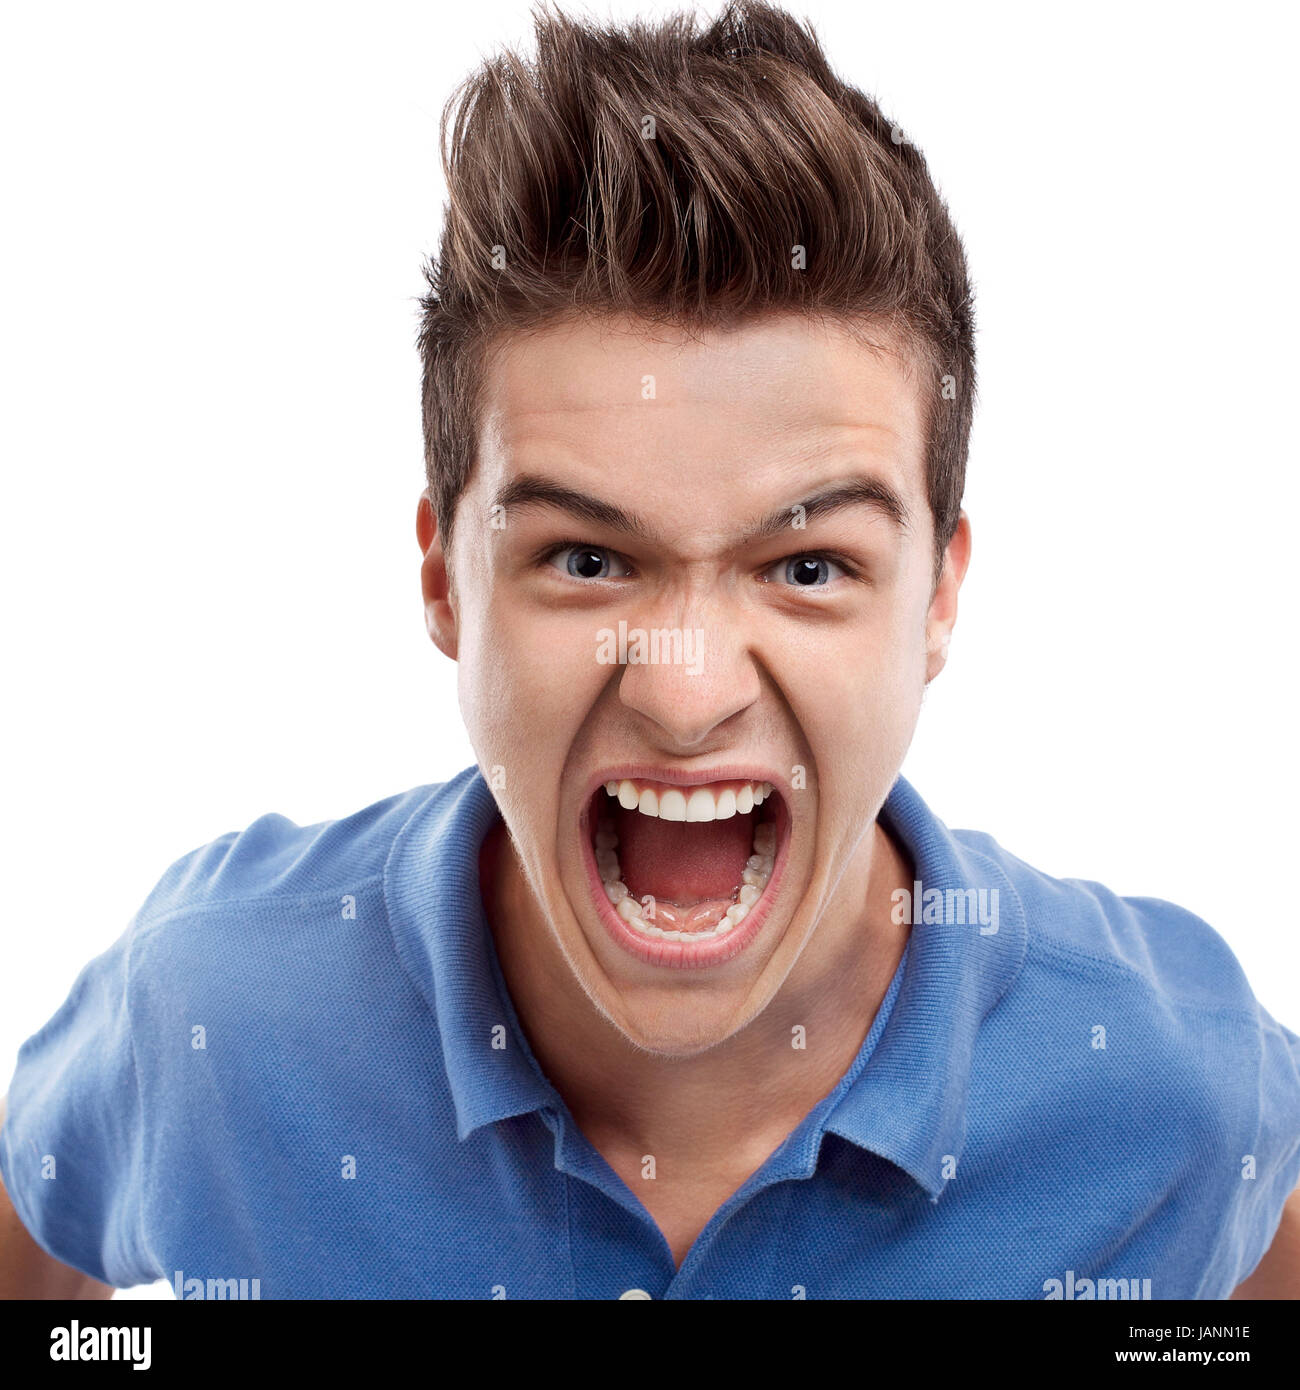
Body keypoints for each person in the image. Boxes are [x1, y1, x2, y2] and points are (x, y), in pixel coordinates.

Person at [2, 0, 1297, 1300]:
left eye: (807, 567)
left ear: (938, 598)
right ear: (445, 578)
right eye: (586, 558)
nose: (684, 694)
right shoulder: (209, 1016)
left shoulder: (1171, 1078)